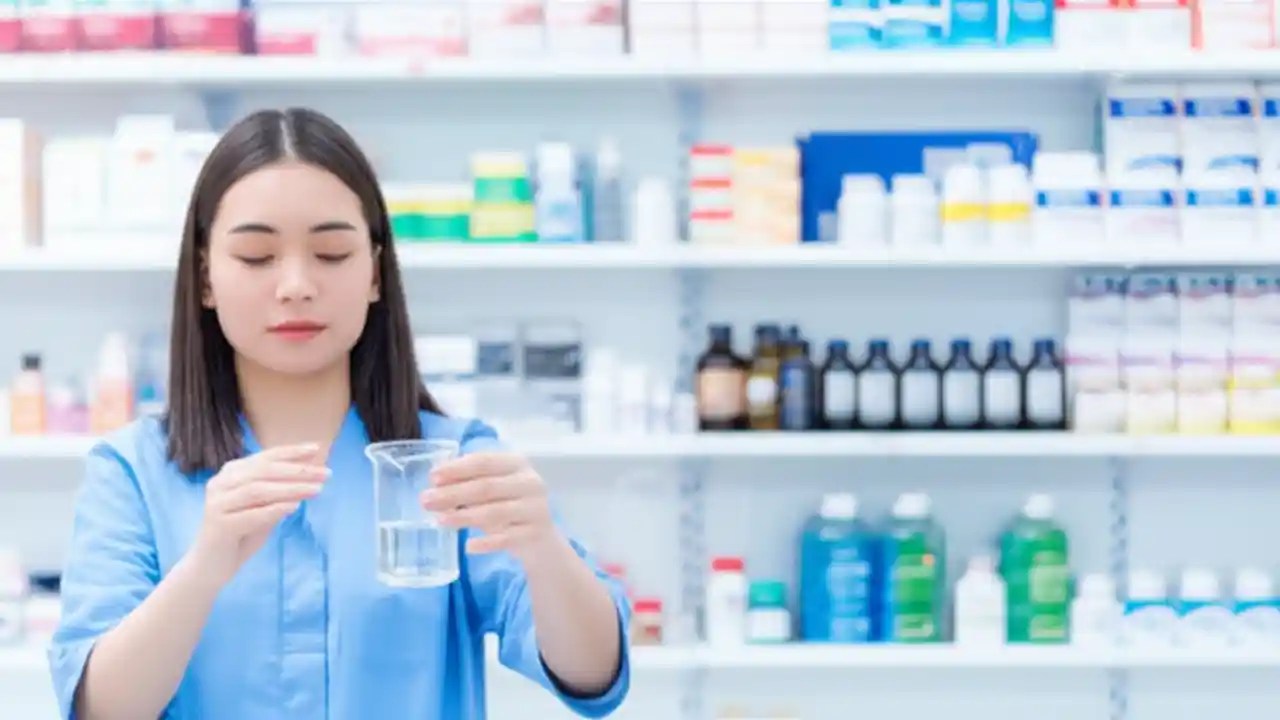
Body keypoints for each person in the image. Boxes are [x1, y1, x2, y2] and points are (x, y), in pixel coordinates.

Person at [47, 108, 631, 720]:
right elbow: (101, 709)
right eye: (255, 256)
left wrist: (542, 548)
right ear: (205, 278)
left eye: (330, 253)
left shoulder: (451, 462)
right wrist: (203, 569)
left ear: (375, 272)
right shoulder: (134, 473)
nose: (296, 284)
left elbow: (593, 677)